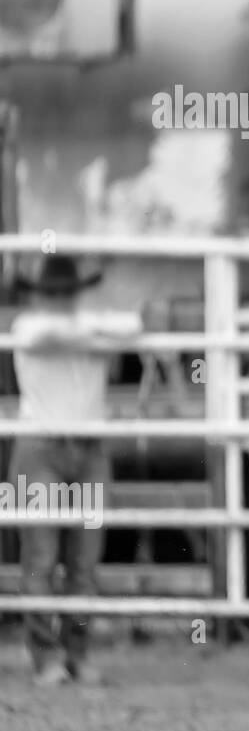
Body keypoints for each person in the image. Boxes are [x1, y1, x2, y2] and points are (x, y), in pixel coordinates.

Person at [11, 253, 140, 687]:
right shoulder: (29, 327)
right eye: (54, 292)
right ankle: (48, 656)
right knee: (42, 559)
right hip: (43, 446)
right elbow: (45, 336)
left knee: (83, 562)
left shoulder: (76, 326)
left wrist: (90, 331)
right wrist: (94, 331)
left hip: (83, 447)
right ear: (41, 295)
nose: (60, 299)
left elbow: (133, 329)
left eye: (66, 292)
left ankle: (74, 654)